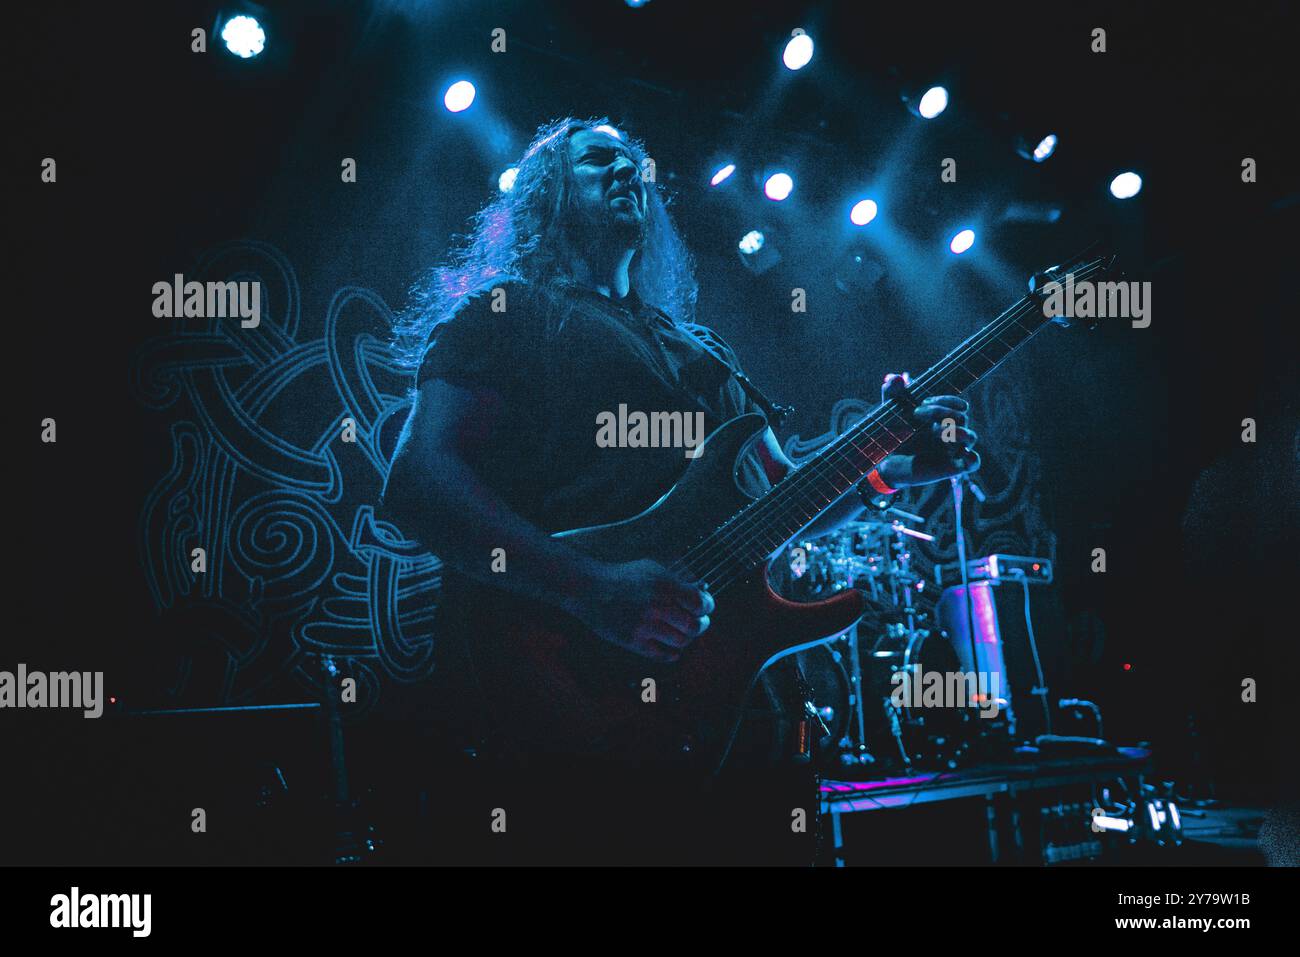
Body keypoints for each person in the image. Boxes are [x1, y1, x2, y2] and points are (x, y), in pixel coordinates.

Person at [378, 117, 979, 863]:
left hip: (739, 730)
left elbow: (781, 502)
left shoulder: (700, 351)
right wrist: (591, 589)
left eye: (636, 160)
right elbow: (418, 481)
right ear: (546, 194)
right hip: (575, 715)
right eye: (599, 160)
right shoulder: (510, 312)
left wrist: (892, 462)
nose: (628, 170)